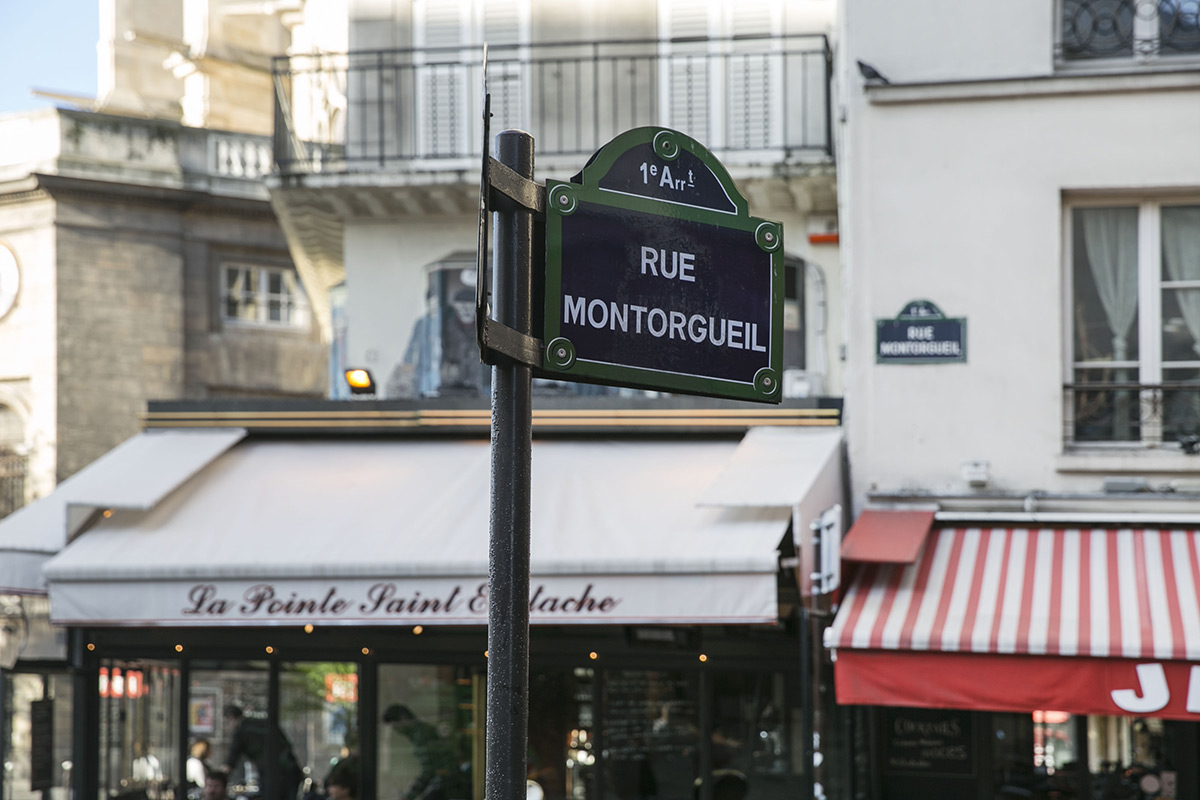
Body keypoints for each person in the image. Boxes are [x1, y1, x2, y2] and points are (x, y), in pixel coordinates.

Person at [382, 704, 469, 800]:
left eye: (396, 726)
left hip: (446, 785)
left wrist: (408, 796)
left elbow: (428, 772)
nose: (397, 731)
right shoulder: (422, 731)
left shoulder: (421, 735)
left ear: (404, 718)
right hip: (448, 784)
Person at [220, 704, 303, 800]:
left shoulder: (241, 732)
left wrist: (217, 779)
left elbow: (229, 764)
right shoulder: (263, 723)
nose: (226, 728)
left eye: (226, 723)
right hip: (291, 771)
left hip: (271, 775)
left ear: (231, 718)